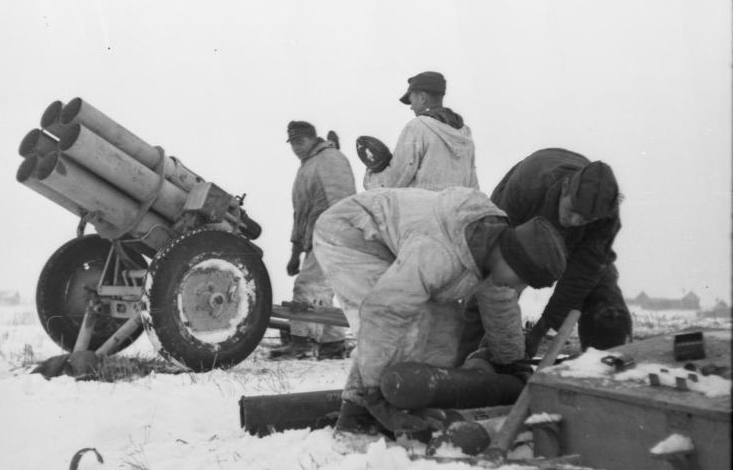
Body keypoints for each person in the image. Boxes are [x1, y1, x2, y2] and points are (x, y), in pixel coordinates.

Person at [313, 186, 567, 436]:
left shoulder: (493, 249)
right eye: (522, 279)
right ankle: (356, 418)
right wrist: (375, 394)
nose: (519, 287)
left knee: (447, 331)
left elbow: (501, 306)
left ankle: (415, 402)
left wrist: (512, 362)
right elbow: (384, 313)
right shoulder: (440, 252)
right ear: (512, 258)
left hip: (397, 246)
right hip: (350, 234)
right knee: (407, 323)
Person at [464, 148, 630, 356]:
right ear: (566, 187)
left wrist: (541, 330)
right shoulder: (527, 188)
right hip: (523, 214)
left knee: (603, 300)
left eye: (586, 219)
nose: (575, 222)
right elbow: (497, 258)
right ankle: (466, 365)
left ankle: (602, 366)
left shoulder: (605, 215)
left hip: (580, 244)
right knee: (493, 287)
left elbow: (581, 277)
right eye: (572, 212)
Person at [269, 121, 357, 360]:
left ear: (312, 138)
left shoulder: (330, 158)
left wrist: (339, 239)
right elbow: (300, 215)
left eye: (300, 141)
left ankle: (300, 343)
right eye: (292, 143)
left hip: (331, 236)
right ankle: (333, 344)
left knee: (305, 288)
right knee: (325, 293)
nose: (296, 147)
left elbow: (343, 201)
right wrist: (294, 253)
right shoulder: (307, 166)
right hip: (315, 239)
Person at [363, 71, 479, 191]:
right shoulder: (465, 135)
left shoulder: (417, 128)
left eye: (412, 100)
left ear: (423, 98)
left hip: (424, 209)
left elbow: (393, 182)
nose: (411, 107)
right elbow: (474, 189)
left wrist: (371, 174)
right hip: (456, 209)